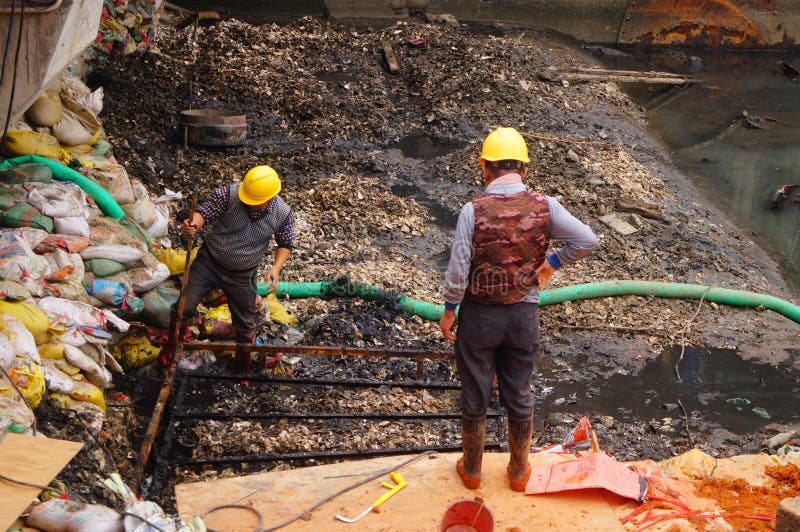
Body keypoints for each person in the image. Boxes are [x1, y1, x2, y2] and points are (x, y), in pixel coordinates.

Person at [440, 127, 598, 491]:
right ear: (524, 170)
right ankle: (518, 471)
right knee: (520, 391)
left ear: (484, 168)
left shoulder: (472, 211)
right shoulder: (546, 206)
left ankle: (474, 471)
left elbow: (459, 267)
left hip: (479, 318)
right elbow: (587, 240)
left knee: (475, 392)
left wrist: (450, 309)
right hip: (522, 318)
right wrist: (552, 263)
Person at [158, 165, 295, 376]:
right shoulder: (230, 194)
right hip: (209, 262)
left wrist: (276, 268)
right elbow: (205, 213)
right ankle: (170, 351)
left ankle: (242, 370)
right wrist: (194, 224)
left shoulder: (283, 213)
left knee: (245, 325)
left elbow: (285, 242)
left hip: (243, 273)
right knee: (182, 309)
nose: (250, 204)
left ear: (270, 198)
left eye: (255, 203)